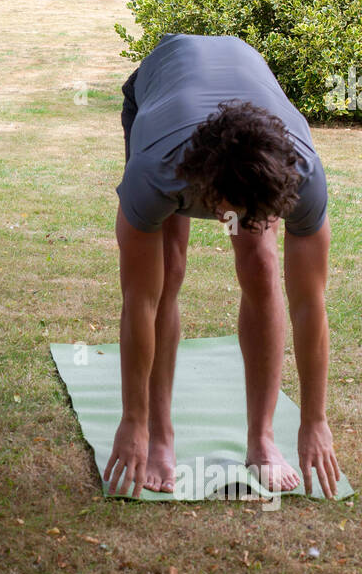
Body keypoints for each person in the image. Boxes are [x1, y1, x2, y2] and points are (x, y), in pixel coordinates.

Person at [106, 33, 341, 499]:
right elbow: (139, 301)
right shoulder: (158, 171)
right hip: (161, 90)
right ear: (204, 188)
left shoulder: (303, 173)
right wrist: (132, 420)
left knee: (259, 262)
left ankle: (262, 439)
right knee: (167, 272)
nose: (234, 223)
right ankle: (159, 434)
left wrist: (315, 420)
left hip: (246, 78)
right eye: (230, 211)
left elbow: (309, 305)